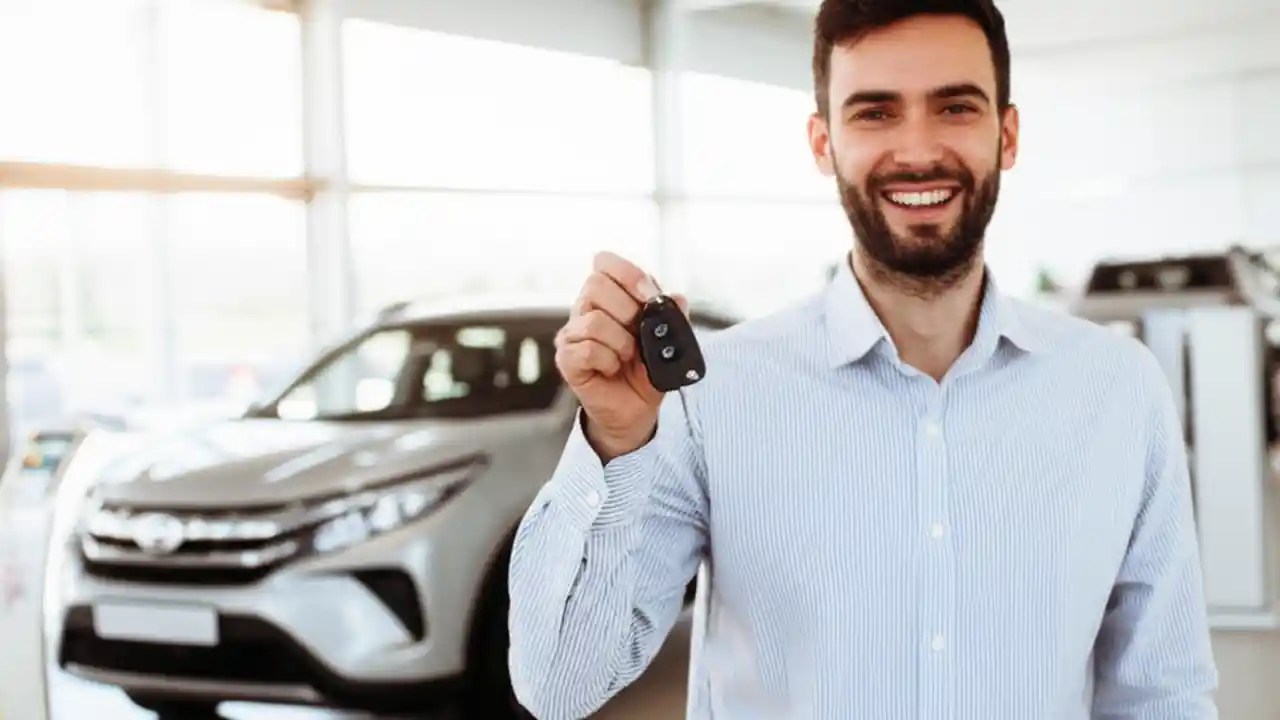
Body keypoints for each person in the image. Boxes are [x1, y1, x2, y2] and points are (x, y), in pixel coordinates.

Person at [506, 0, 1220, 717]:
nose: (916, 150)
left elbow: (1163, 692)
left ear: (1007, 134)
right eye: (875, 113)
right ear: (823, 143)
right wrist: (615, 444)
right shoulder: (713, 397)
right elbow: (561, 687)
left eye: (955, 108)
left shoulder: (1118, 391)